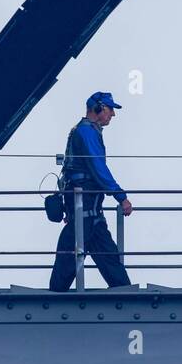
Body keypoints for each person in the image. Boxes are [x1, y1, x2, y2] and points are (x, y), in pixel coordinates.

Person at [49, 91, 134, 291]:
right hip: (85, 210)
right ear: (99, 108)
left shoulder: (83, 130)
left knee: (104, 258)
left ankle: (126, 296)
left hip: (88, 211)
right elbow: (98, 168)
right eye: (110, 109)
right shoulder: (87, 132)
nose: (113, 114)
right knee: (71, 258)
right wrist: (121, 197)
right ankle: (50, 306)